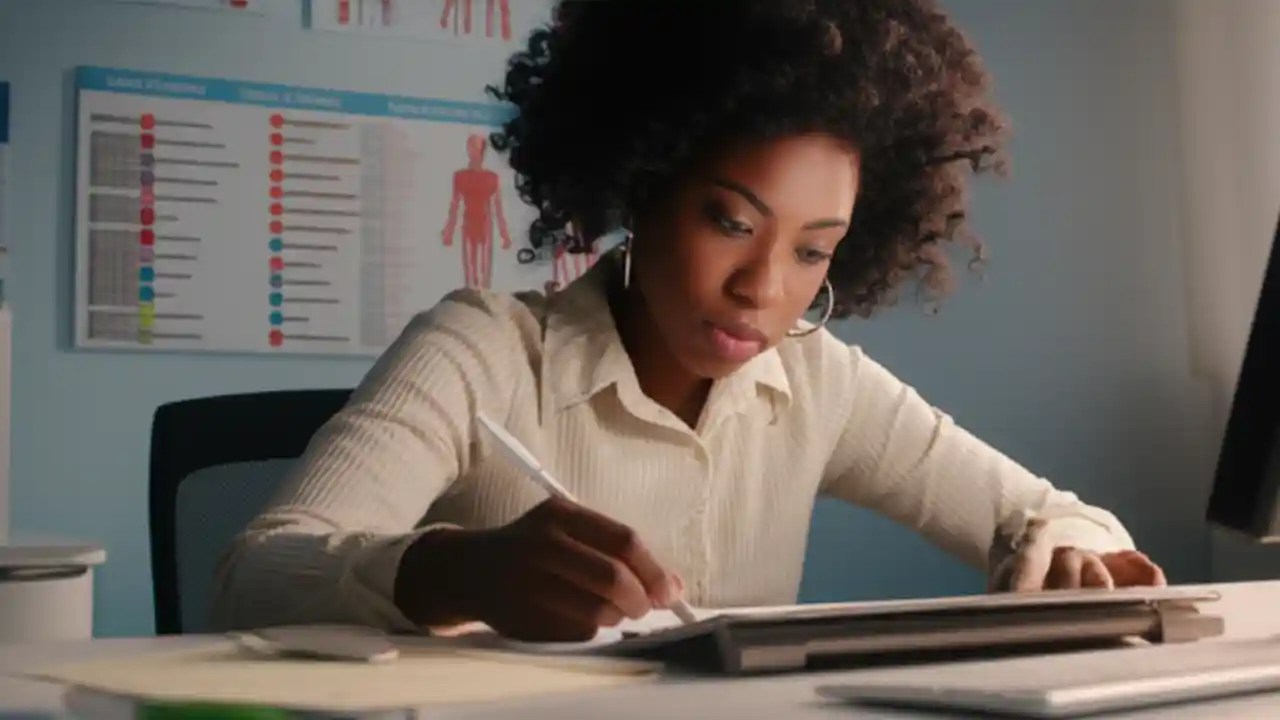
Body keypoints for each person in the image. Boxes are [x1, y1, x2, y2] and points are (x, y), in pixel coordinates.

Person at [211, 0, 1166, 642]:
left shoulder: (818, 383)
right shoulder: (481, 352)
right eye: (731, 222)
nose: (763, 289)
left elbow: (1046, 514)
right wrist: (456, 575)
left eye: (811, 249)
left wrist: (1070, 553)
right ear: (642, 183)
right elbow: (252, 577)